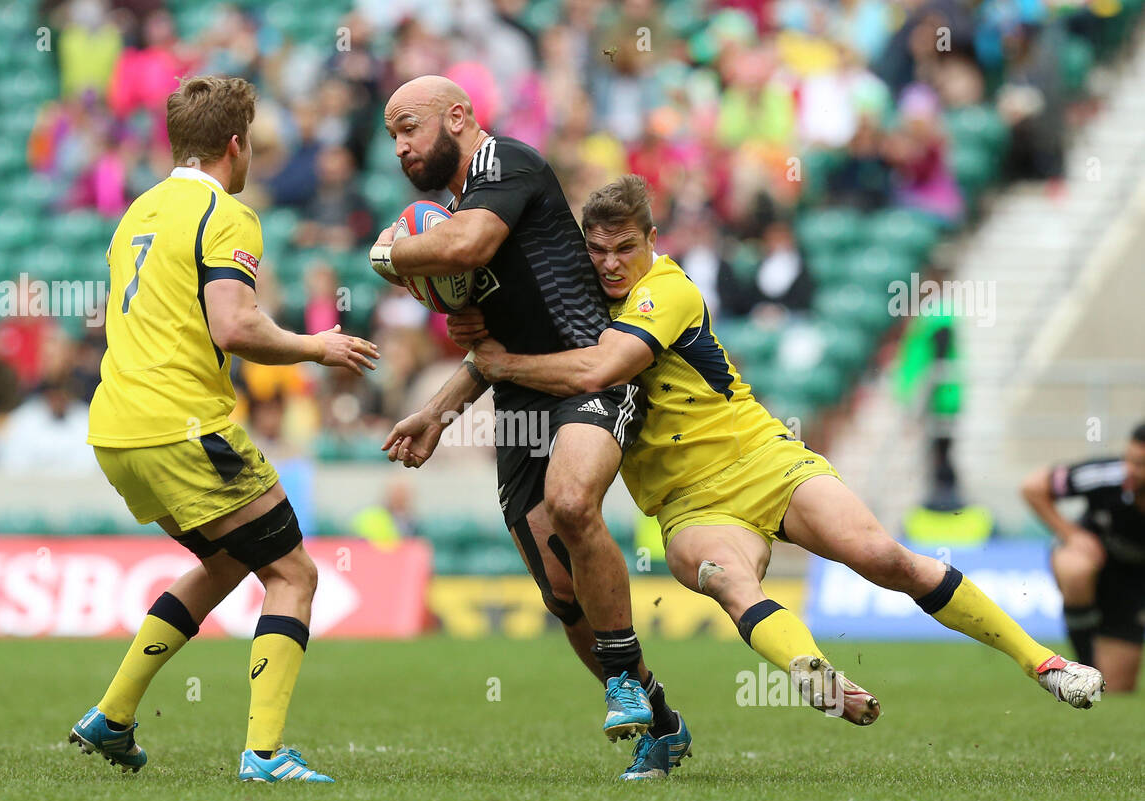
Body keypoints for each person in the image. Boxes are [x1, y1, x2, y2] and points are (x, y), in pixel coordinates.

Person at [471, 174, 1106, 729]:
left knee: (884, 557)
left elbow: (601, 369)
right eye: (597, 249)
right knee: (727, 581)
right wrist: (445, 401)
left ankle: (1042, 662)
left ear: (652, 239)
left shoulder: (667, 290)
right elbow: (493, 346)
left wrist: (507, 364)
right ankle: (815, 673)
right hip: (686, 506)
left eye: (624, 248)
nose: (609, 263)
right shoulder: (577, 299)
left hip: (761, 460)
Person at [371, 76, 690, 780]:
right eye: (392, 134)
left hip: (590, 377)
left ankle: (625, 685)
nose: (400, 145)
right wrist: (436, 412)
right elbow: (493, 353)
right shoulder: (460, 211)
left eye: (410, 128)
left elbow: (462, 247)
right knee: (558, 587)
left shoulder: (506, 167)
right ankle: (657, 717)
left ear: (459, 116)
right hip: (519, 403)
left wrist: (389, 254)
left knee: (573, 503)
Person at [69, 75, 379, 783]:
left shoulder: (137, 212)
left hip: (117, 428)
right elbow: (233, 325)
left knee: (226, 559)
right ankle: (264, 756)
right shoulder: (226, 213)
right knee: (294, 574)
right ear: (236, 146)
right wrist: (317, 345)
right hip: (183, 425)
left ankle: (112, 718)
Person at [1022, 425, 1145, 692]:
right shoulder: (1107, 474)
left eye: (1141, 464)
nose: (1131, 470)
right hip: (1095, 561)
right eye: (1130, 460)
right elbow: (1033, 486)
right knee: (1075, 567)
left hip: (1133, 582)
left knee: (1119, 688)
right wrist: (1071, 533)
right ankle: (1083, 670)